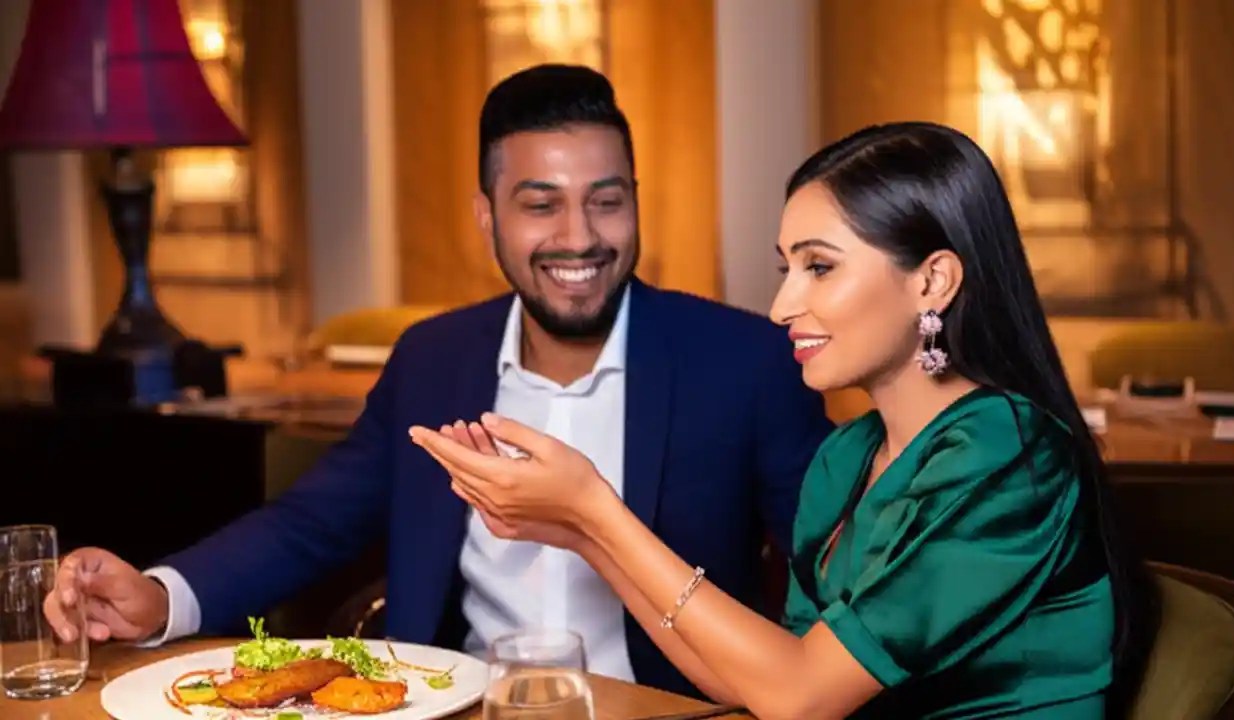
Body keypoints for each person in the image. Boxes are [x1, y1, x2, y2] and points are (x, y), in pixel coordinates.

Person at [43, 64, 833, 698]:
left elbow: (832, 578)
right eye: (540, 205)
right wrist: (158, 595)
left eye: (607, 201)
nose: (579, 237)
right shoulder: (433, 357)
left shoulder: (743, 361)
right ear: (488, 217)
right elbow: (310, 525)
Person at [411, 121, 1158, 718]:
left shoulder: (1007, 454)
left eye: (820, 267)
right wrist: (571, 527)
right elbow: (759, 684)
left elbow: (803, 697)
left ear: (933, 280)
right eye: (785, 268)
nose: (781, 307)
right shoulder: (848, 459)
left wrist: (595, 509)